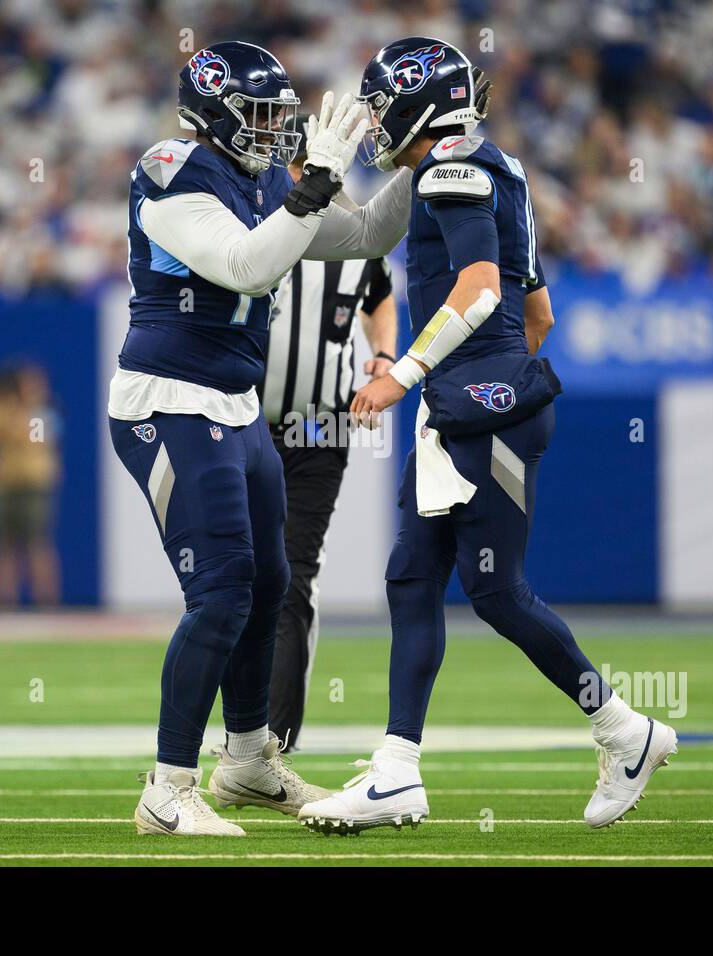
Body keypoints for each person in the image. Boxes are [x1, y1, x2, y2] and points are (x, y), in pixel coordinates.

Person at [299, 38, 677, 834]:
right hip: (469, 399)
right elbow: (370, 240)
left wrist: (405, 374)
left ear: (415, 102)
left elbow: (479, 287)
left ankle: (626, 732)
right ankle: (397, 769)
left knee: (498, 593)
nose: (370, 120)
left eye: (378, 105)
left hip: (475, 401)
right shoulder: (467, 164)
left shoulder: (452, 167)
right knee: (412, 577)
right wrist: (314, 188)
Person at [107, 41, 411, 836]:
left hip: (234, 404)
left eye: (285, 117)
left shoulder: (263, 178)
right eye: (265, 116)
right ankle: (168, 788)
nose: (279, 131)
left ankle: (246, 760)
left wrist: (426, 152)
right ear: (215, 113)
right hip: (169, 400)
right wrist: (312, 184)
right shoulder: (174, 170)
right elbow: (244, 264)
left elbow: (368, 236)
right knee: (221, 591)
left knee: (271, 584)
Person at [258, 117, 399, 752]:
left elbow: (379, 295)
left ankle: (272, 743)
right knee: (237, 578)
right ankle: (241, 735)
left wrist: (385, 355)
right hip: (245, 419)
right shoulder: (263, 221)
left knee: (291, 578)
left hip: (318, 421)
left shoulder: (354, 233)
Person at [0, 363, 62, 607]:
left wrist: (27, 407)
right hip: (3, 484)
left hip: (34, 484)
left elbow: (36, 438)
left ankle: (47, 605)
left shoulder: (43, 412)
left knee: (38, 544)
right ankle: (4, 605)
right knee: (3, 547)